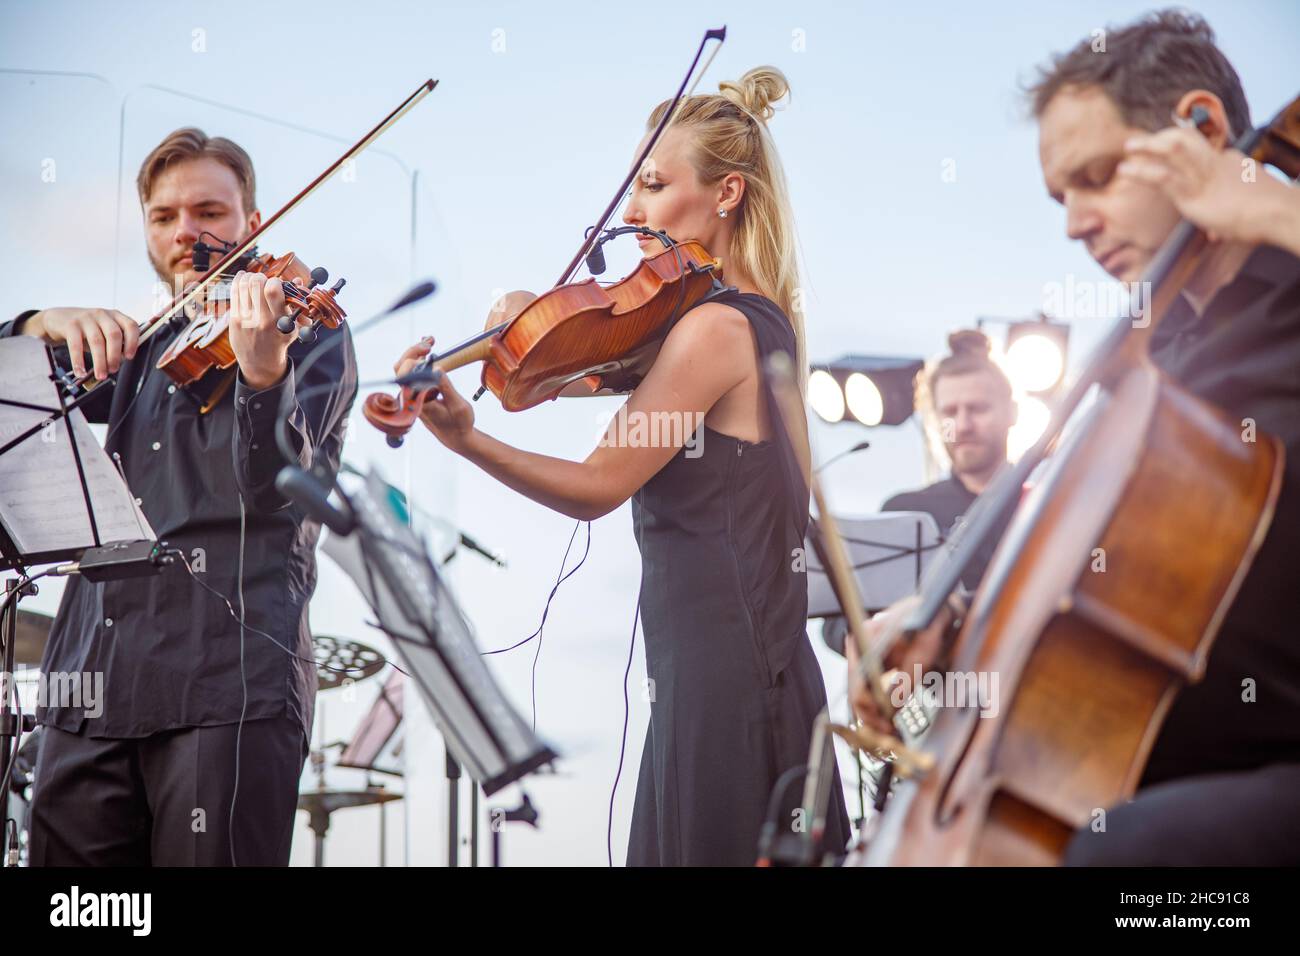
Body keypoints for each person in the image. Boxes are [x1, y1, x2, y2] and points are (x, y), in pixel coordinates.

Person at [851, 9, 1300, 865]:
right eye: (1061, 197)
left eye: (1096, 177)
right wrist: (943, 611)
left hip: (1268, 765)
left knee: (1118, 858)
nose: (1073, 223)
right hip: (1154, 763)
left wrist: (1276, 212)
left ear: (1201, 130)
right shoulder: (1152, 370)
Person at [391, 67, 851, 866]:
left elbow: (598, 485)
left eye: (653, 184)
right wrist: (535, 336)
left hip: (723, 694)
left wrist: (467, 438)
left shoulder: (713, 333)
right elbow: (586, 371)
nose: (630, 211)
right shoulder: (753, 327)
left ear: (727, 194)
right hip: (744, 681)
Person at [2, 128, 357, 865]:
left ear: (253, 224)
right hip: (90, 679)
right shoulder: (136, 344)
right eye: (164, 218)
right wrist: (39, 324)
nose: (186, 233)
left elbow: (281, 492)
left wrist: (264, 377)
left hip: (227, 680)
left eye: (209, 212)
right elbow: (15, 394)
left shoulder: (304, 330)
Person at [881, 329, 1016, 591]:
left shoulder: (1049, 505)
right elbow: (843, 617)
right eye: (950, 412)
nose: (963, 425)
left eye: (978, 408)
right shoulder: (905, 511)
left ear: (1013, 412)